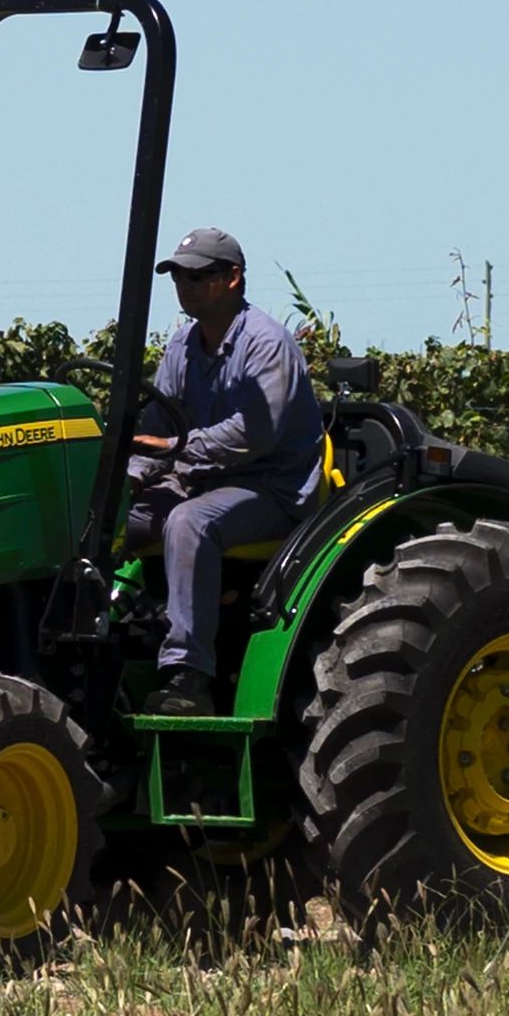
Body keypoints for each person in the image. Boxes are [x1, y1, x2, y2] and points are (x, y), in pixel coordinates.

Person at [124, 226, 321, 711]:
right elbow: (154, 429)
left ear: (233, 277)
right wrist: (123, 482)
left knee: (189, 522)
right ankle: (97, 643)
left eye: (197, 276)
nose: (185, 286)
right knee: (107, 520)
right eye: (178, 277)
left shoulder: (267, 344)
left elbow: (256, 434)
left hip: (271, 488)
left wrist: (176, 446)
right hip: (198, 479)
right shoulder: (182, 347)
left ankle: (188, 676)